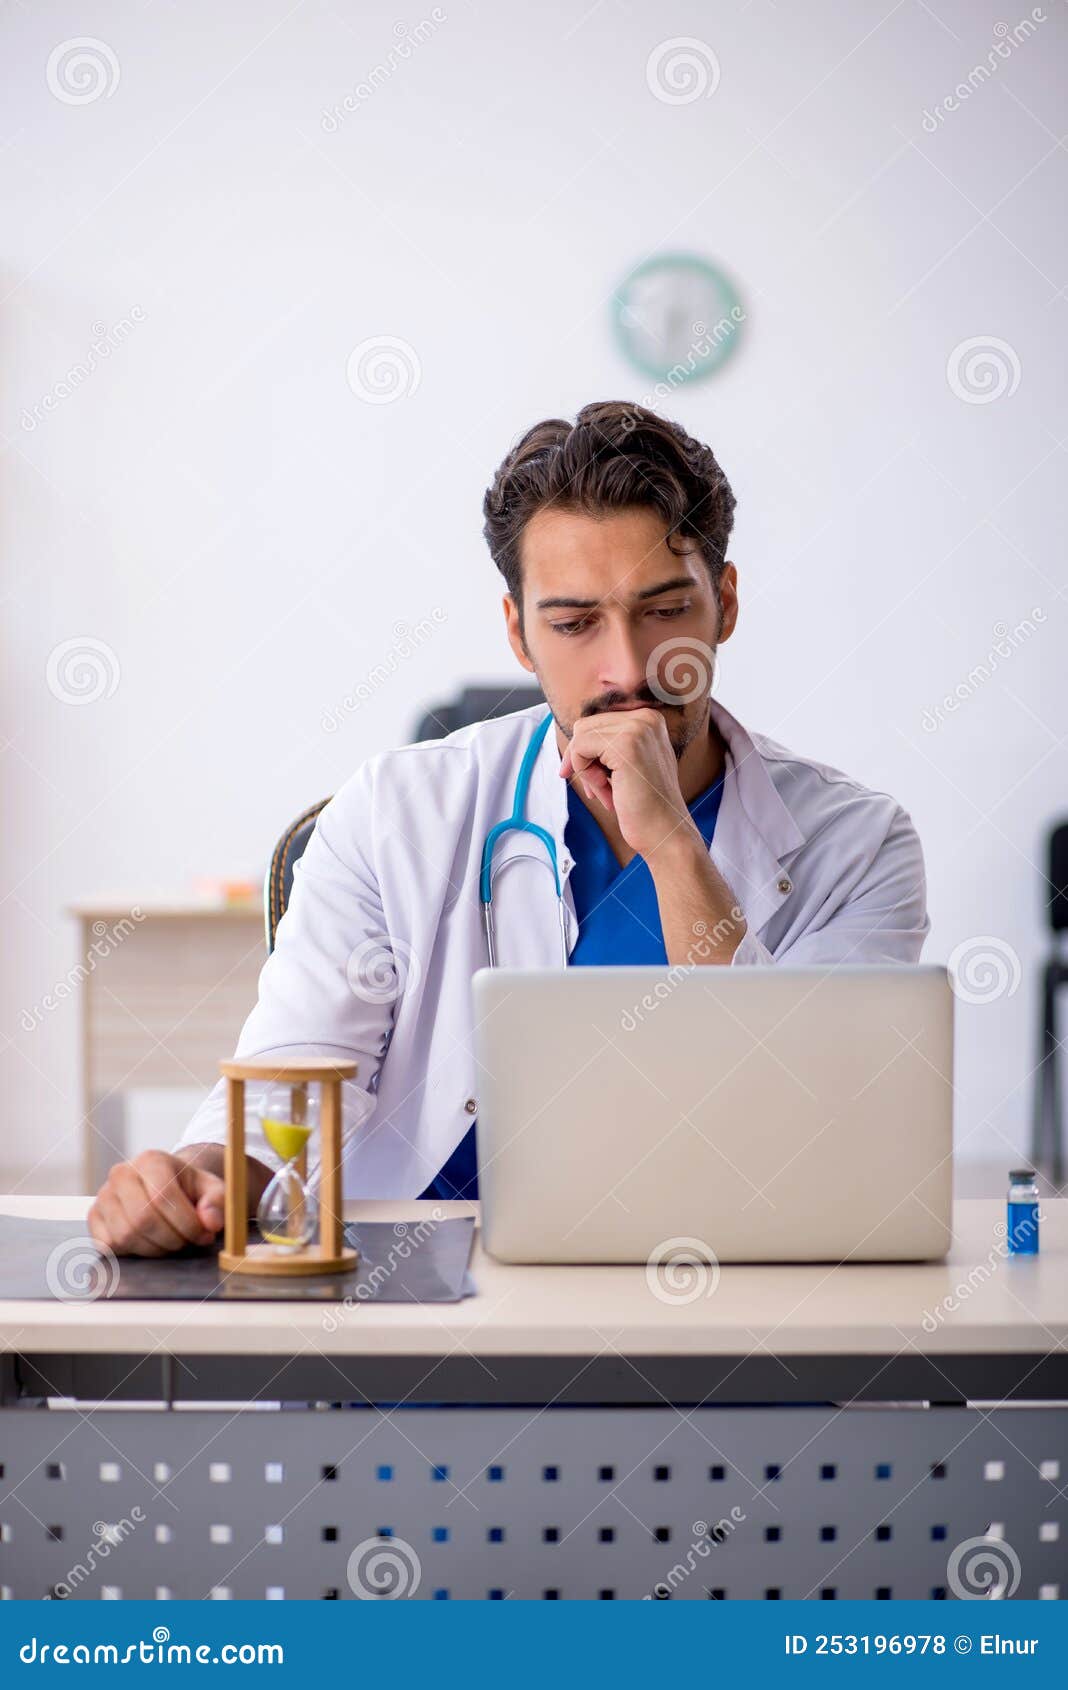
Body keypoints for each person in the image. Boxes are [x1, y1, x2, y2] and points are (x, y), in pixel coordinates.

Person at [88, 400, 929, 1257]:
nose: (628, 670)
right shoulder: (394, 813)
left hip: (734, 1299)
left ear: (727, 604)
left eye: (665, 610)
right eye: (573, 624)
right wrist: (199, 1175)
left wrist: (676, 847)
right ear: (518, 635)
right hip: (431, 1307)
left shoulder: (858, 844)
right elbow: (294, 1085)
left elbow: (811, 1132)